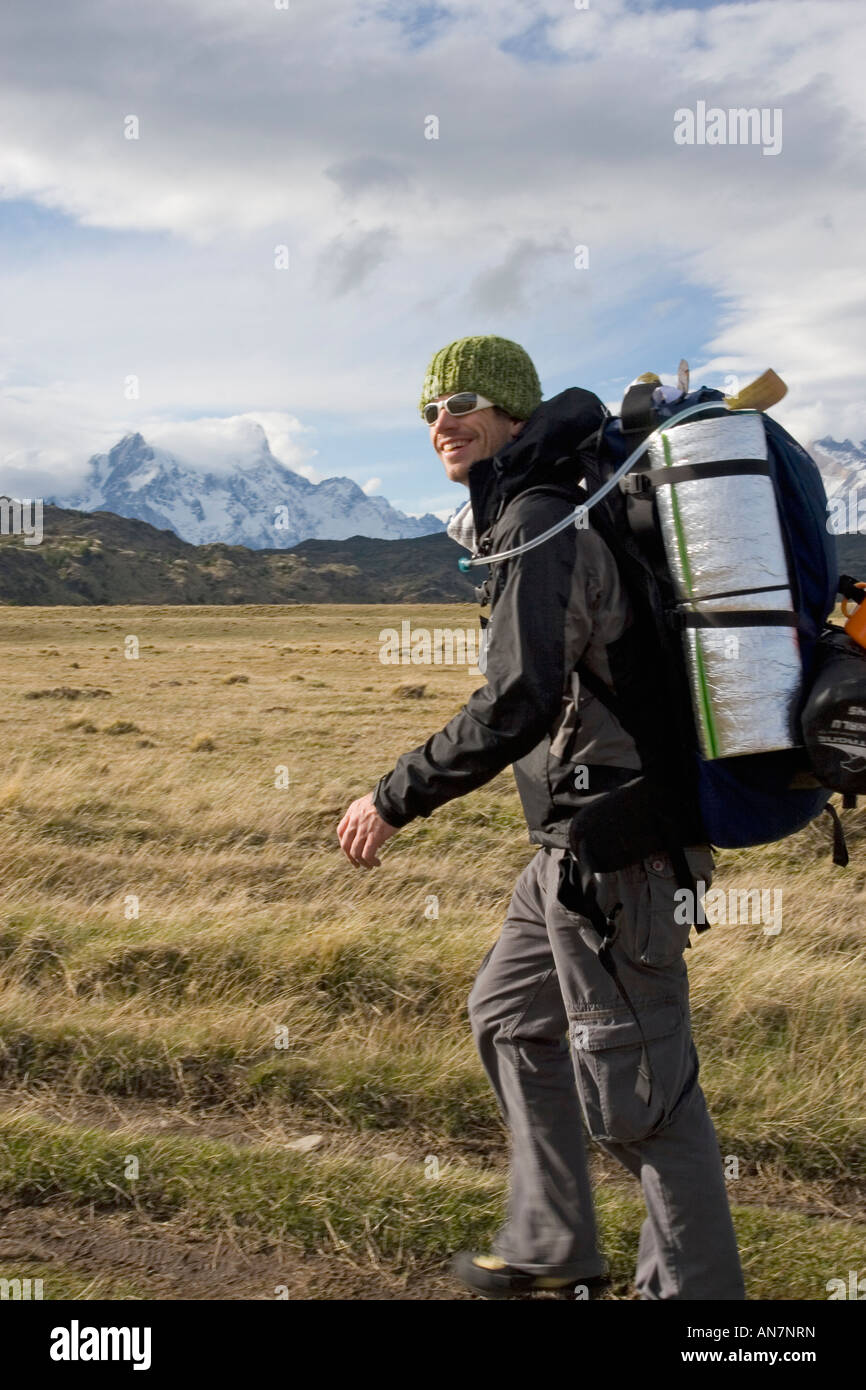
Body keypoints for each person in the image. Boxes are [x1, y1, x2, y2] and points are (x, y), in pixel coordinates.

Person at [337, 334, 745, 1301]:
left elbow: (517, 700)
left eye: (464, 402)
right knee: (510, 1018)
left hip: (620, 854)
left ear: (514, 413)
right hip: (572, 850)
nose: (442, 421)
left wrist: (391, 799)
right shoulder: (541, 505)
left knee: (644, 1103)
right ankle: (551, 1243)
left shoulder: (545, 515)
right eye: (429, 408)